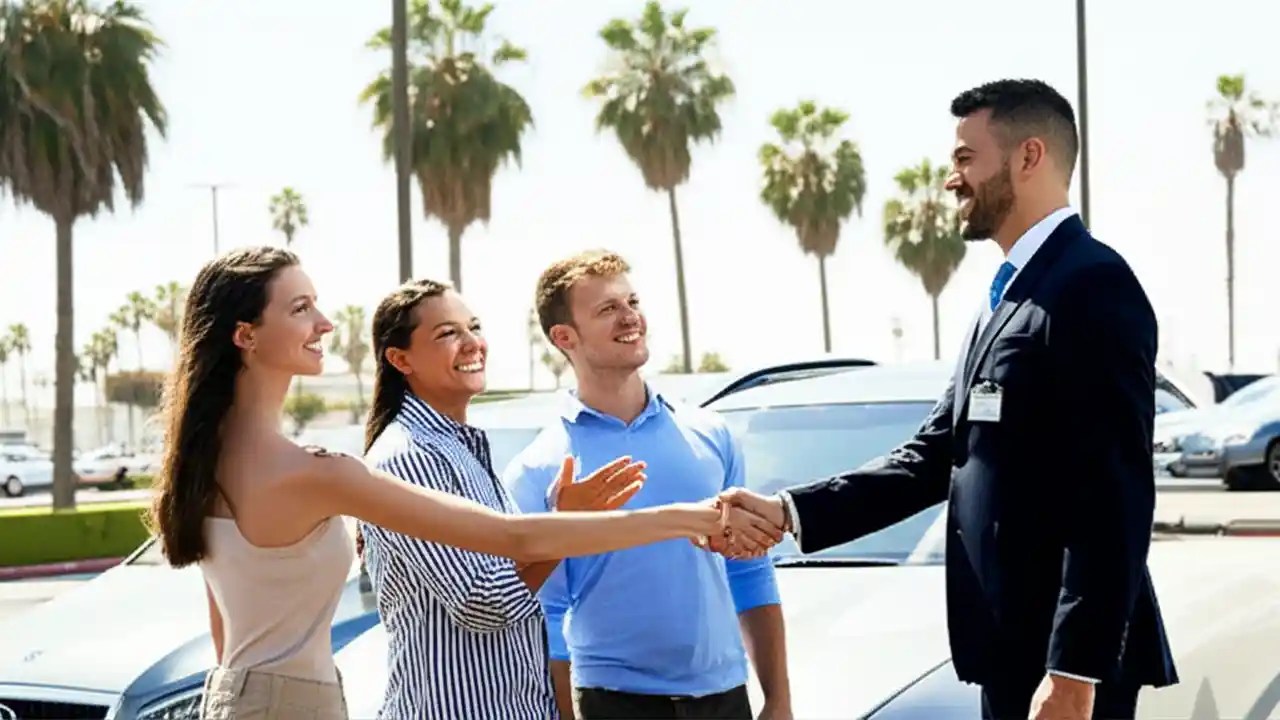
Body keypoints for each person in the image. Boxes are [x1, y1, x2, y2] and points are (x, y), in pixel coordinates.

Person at [720, 79, 1178, 720]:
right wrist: (789, 512)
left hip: (1064, 670)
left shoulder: (1092, 285)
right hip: (1011, 654)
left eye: (966, 158)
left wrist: (1074, 672)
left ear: (1028, 156)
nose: (951, 179)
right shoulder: (1008, 296)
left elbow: (1114, 494)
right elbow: (934, 457)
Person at [148, 246, 729, 720]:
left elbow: (225, 632)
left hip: (236, 698)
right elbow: (512, 543)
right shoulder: (319, 472)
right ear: (246, 335)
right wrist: (691, 518)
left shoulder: (202, 460)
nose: (325, 324)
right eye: (301, 308)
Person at [505, 250, 791, 720]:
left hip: (726, 700)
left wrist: (778, 700)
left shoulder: (711, 434)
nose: (629, 316)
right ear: (564, 337)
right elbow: (544, 614)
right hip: (611, 701)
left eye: (631, 301)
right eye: (607, 309)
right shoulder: (540, 467)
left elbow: (751, 572)